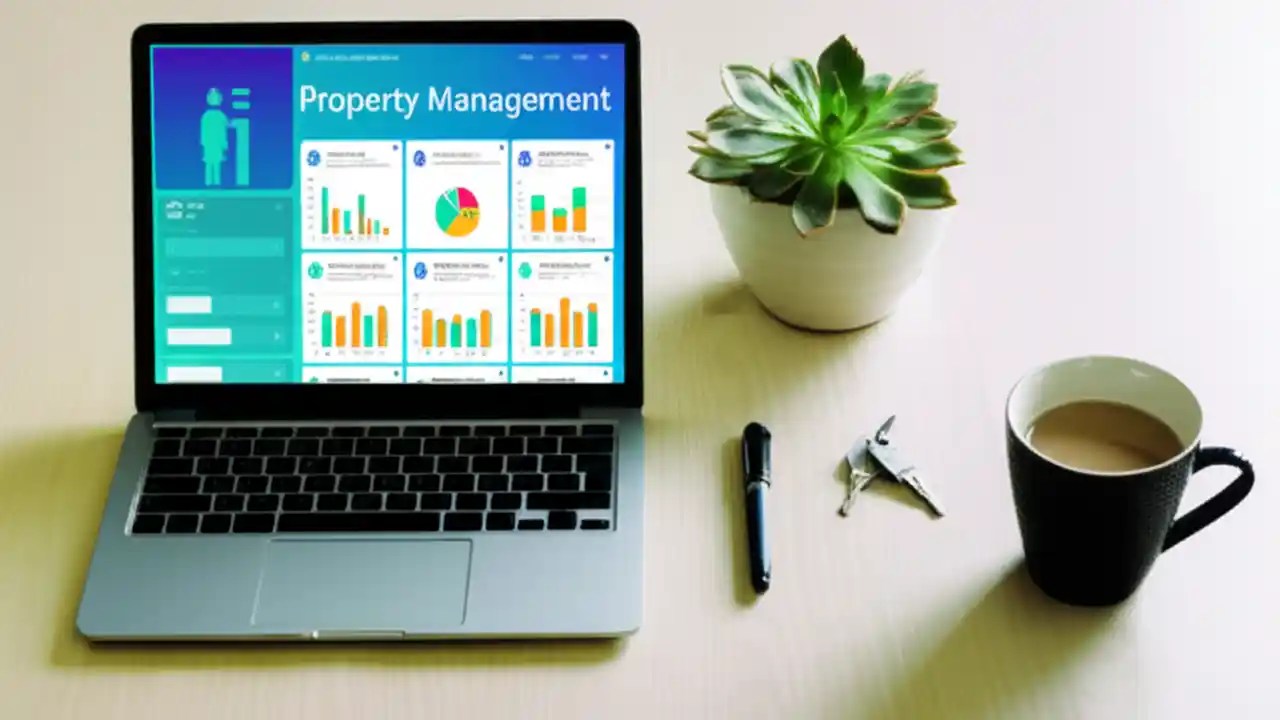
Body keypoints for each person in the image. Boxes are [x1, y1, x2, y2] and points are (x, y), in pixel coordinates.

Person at [200, 87, 229, 186]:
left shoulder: (221, 116)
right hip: (209, 145)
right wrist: (204, 143)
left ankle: (217, 185)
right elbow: (204, 132)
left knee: (216, 165)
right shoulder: (206, 116)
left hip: (217, 145)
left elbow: (223, 131)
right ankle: (208, 185)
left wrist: (224, 144)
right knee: (209, 165)